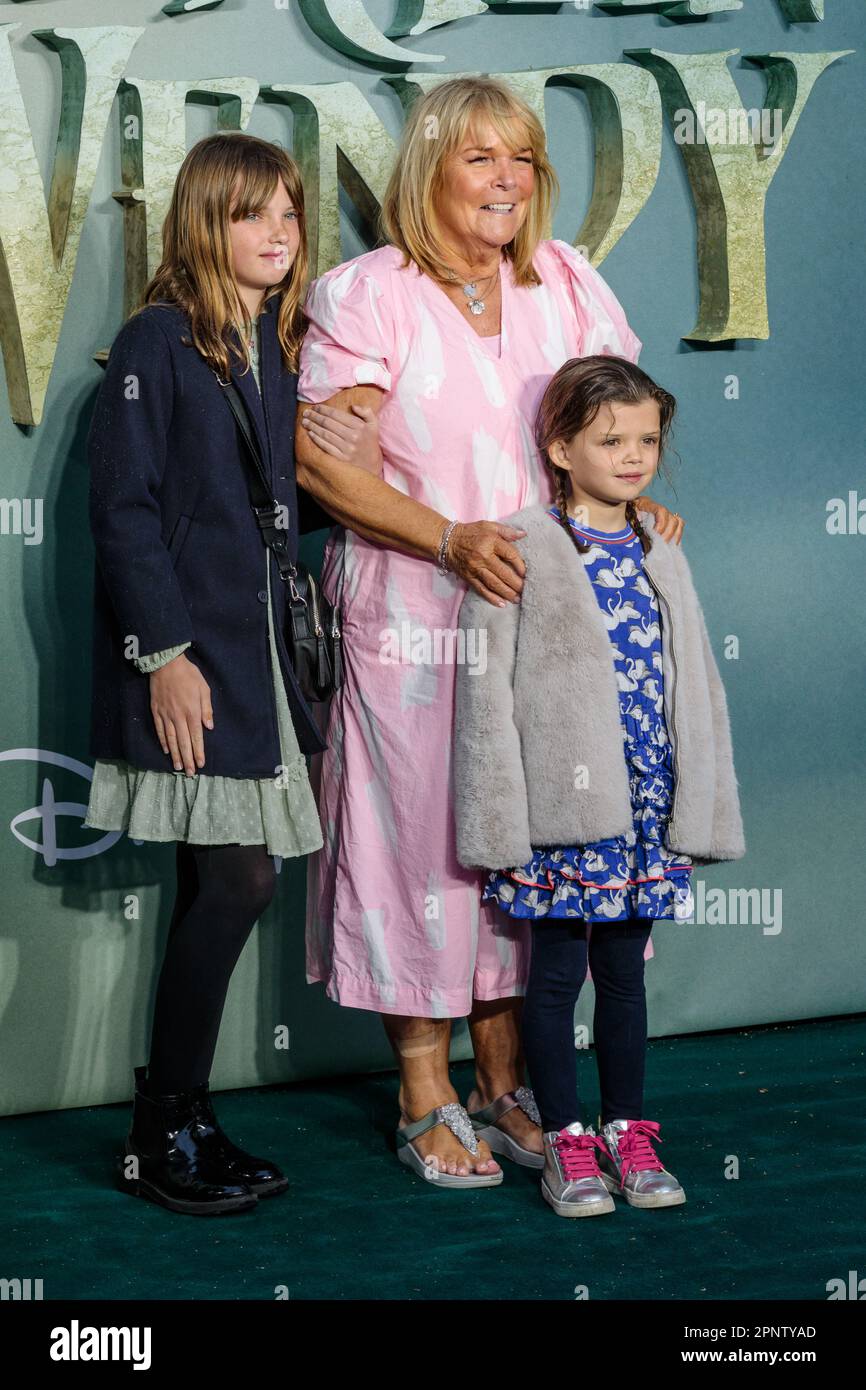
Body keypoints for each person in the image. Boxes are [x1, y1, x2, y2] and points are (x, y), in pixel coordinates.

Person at [294, 76, 685, 1187]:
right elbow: (325, 459)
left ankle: (504, 1081)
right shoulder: (367, 294)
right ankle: (423, 1092)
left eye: (519, 156)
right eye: (478, 157)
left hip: (548, 620)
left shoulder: (565, 282)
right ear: (428, 171)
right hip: (416, 613)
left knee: (524, 840)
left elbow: (617, 417)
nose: (506, 178)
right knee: (415, 849)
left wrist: (628, 504)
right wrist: (449, 537)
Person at [83, 133, 373, 1215]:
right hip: (196, 660)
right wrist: (164, 655)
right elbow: (124, 514)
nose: (279, 234)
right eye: (253, 214)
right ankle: (164, 1129)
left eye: (290, 215)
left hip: (258, 660)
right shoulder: (157, 339)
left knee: (221, 881)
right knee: (240, 879)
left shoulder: (265, 344)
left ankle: (182, 1120)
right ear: (206, 223)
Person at [452, 354, 746, 1216]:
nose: (632, 455)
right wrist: (499, 817)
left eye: (647, 439)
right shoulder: (518, 546)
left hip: (647, 807)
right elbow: (484, 696)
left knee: (625, 975)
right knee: (555, 976)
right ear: (559, 446)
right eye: (609, 438)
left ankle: (629, 1131)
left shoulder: (662, 548)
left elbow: (694, 681)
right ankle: (568, 1144)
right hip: (563, 813)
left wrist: (701, 793)